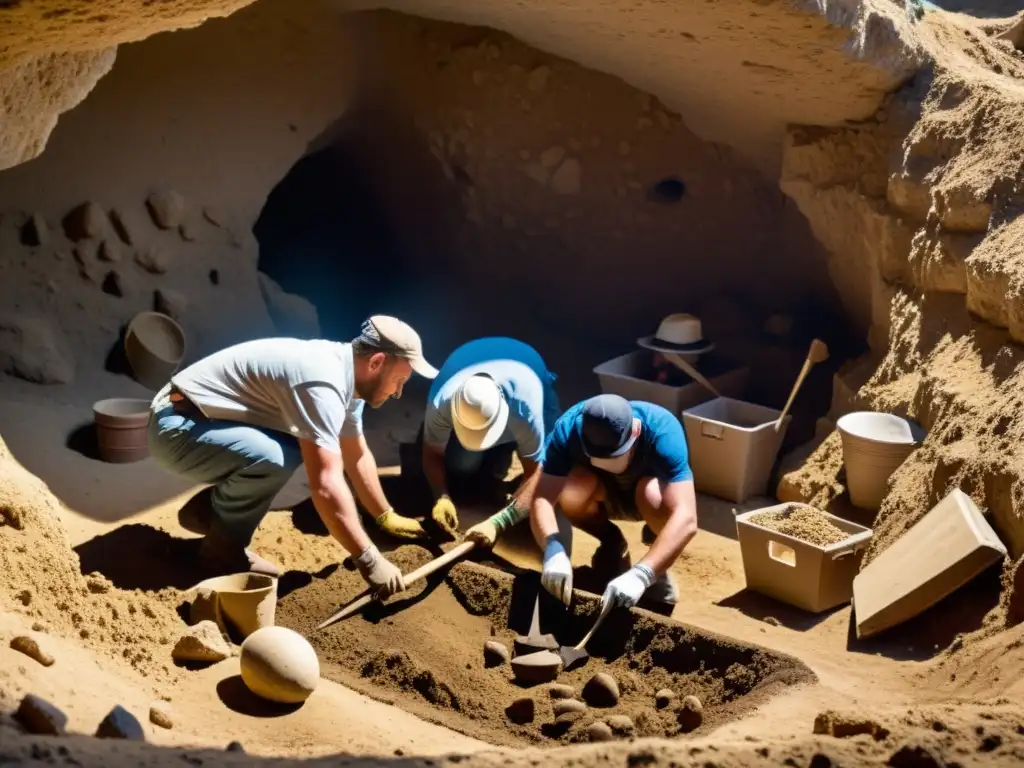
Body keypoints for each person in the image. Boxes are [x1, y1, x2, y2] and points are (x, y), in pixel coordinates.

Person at [147, 315, 437, 599]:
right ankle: (220, 554)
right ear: (376, 363)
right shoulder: (323, 384)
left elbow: (355, 453)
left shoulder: (348, 379)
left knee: (302, 444)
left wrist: (385, 516)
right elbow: (325, 484)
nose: (399, 392)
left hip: (201, 418)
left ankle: (215, 513)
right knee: (274, 458)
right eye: (399, 380)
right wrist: (369, 560)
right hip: (176, 427)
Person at [529, 393, 698, 613]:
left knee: (652, 494)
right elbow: (541, 497)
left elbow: (687, 517)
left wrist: (643, 574)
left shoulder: (661, 429)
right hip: (600, 495)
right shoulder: (569, 429)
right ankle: (612, 543)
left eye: (614, 455)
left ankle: (657, 565)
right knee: (571, 486)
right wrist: (553, 549)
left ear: (635, 432)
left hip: (644, 500)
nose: (606, 462)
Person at [416, 337, 563, 545]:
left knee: (552, 483)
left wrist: (501, 521)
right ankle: (491, 465)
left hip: (528, 370)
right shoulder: (442, 399)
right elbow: (432, 453)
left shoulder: (526, 406)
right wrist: (441, 496)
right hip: (469, 359)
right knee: (462, 463)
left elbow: (538, 472)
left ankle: (503, 457)